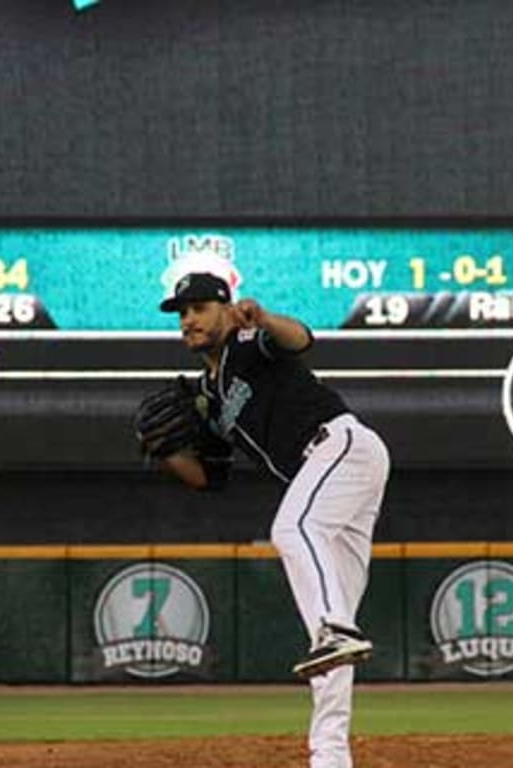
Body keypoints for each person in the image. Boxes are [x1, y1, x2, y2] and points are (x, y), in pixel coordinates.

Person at [153, 272, 389, 768]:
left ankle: (335, 632)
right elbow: (208, 479)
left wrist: (263, 318)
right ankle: (330, 756)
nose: (188, 320)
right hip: (331, 472)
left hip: (340, 445)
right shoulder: (209, 396)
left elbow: (301, 338)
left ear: (225, 307)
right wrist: (167, 451)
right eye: (182, 312)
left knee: (292, 530)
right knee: (332, 629)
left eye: (198, 308)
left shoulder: (246, 341)